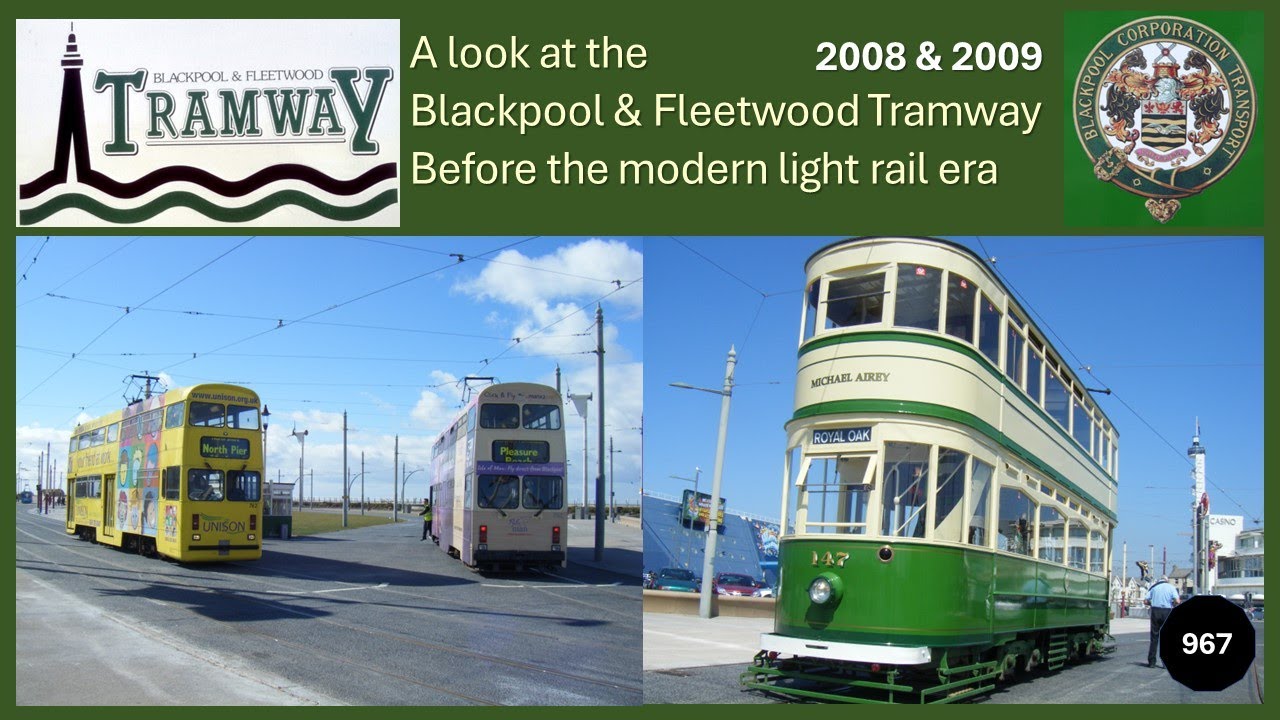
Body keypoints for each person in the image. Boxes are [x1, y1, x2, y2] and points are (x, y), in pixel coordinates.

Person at [1145, 575, 1181, 668]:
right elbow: (1177, 601)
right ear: (1167, 580)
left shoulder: (1154, 588)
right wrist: (1172, 604)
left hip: (1155, 611)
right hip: (1167, 612)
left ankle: (1152, 662)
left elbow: (1145, 601)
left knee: (1154, 637)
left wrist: (1151, 603)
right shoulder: (1171, 587)